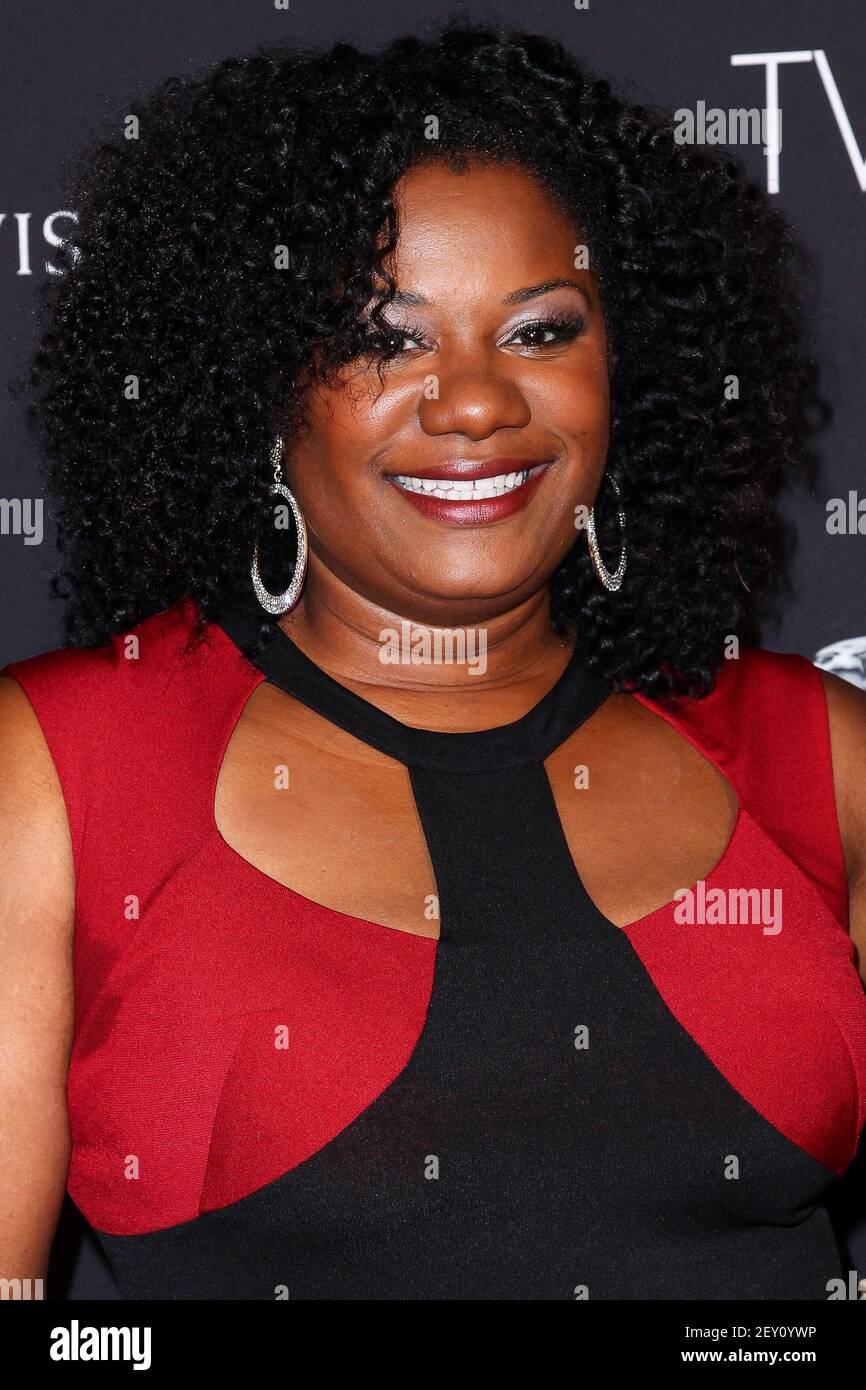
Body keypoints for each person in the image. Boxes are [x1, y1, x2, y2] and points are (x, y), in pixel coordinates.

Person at [1, 22, 865, 1301]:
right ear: (259, 386)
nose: (474, 402)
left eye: (538, 333)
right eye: (384, 336)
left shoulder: (817, 753)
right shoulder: (65, 771)